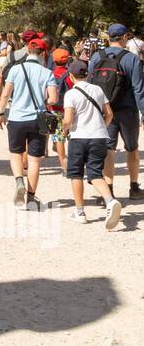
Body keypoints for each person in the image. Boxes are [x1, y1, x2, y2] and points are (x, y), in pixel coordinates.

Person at [0, 35, 59, 208]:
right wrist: (43, 101)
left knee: (16, 153)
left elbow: (5, 93)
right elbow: (53, 99)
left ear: (28, 51)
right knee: (34, 161)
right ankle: (31, 197)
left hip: (16, 118)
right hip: (37, 120)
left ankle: (19, 182)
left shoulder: (16, 69)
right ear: (43, 54)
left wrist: (1, 113)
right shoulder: (47, 73)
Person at [62, 59, 122, 230]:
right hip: (99, 137)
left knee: (76, 174)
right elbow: (109, 113)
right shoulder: (97, 89)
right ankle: (110, 201)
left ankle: (80, 212)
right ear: (87, 74)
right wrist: (102, 126)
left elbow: (67, 119)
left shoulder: (71, 94)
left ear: (71, 76)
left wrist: (65, 130)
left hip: (78, 137)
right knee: (95, 173)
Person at [88, 24, 144, 200]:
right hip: (128, 111)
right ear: (125, 36)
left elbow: (90, 85)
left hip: (105, 111)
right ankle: (134, 187)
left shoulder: (97, 57)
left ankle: (108, 190)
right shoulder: (132, 59)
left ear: (109, 37)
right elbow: (138, 90)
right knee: (132, 148)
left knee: (108, 150)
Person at [49, 46, 75, 175]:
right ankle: (73, 162)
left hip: (54, 109)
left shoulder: (50, 74)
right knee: (71, 134)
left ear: (54, 60)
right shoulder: (70, 75)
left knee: (58, 136)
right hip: (69, 109)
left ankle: (63, 164)